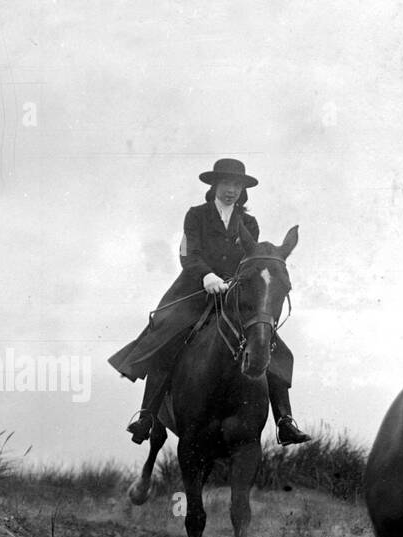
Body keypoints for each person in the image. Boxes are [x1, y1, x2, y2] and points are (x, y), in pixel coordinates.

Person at [109, 158, 310, 446]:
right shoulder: (196, 216)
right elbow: (188, 255)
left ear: (243, 189)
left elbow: (250, 261)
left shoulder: (249, 222)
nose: (231, 190)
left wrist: (239, 281)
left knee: (268, 340)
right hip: (195, 289)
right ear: (215, 185)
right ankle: (147, 416)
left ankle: (284, 420)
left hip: (233, 292)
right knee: (169, 335)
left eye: (237, 185)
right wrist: (207, 276)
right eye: (226, 183)